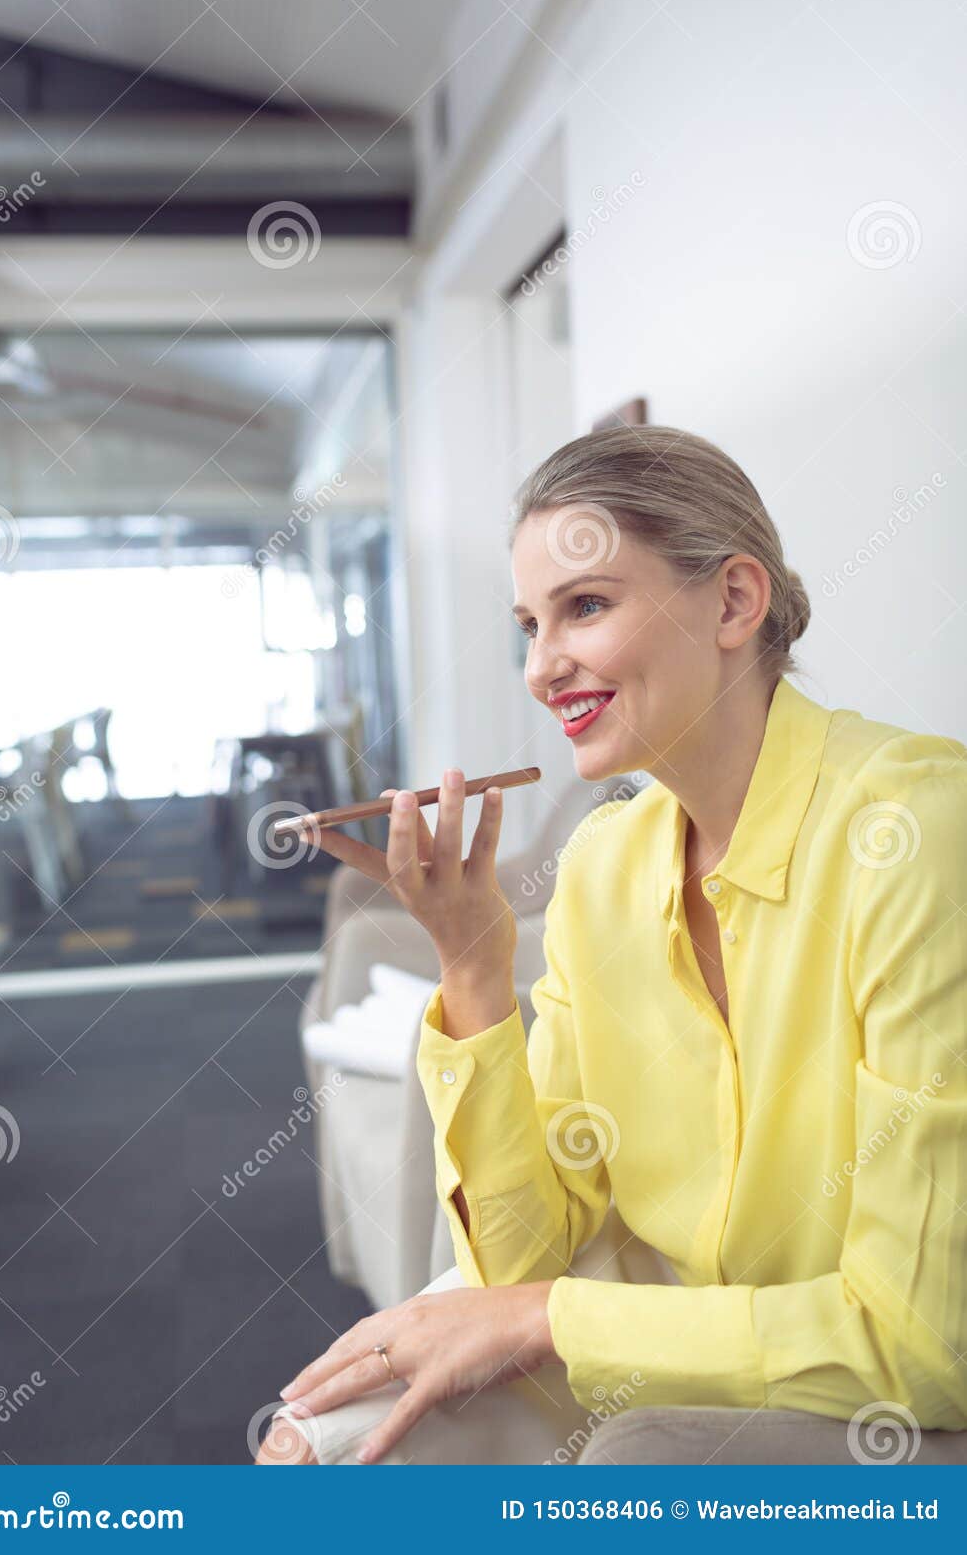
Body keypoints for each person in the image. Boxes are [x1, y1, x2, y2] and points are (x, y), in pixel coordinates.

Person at [256, 424, 967, 1466]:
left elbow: (920, 1339)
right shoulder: (603, 864)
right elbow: (522, 1256)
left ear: (732, 601)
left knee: (632, 1461)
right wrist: (473, 967)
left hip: (890, 1394)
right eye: (528, 625)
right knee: (322, 1448)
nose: (544, 667)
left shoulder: (913, 835)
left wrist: (554, 1317)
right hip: (685, 1339)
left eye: (584, 606)